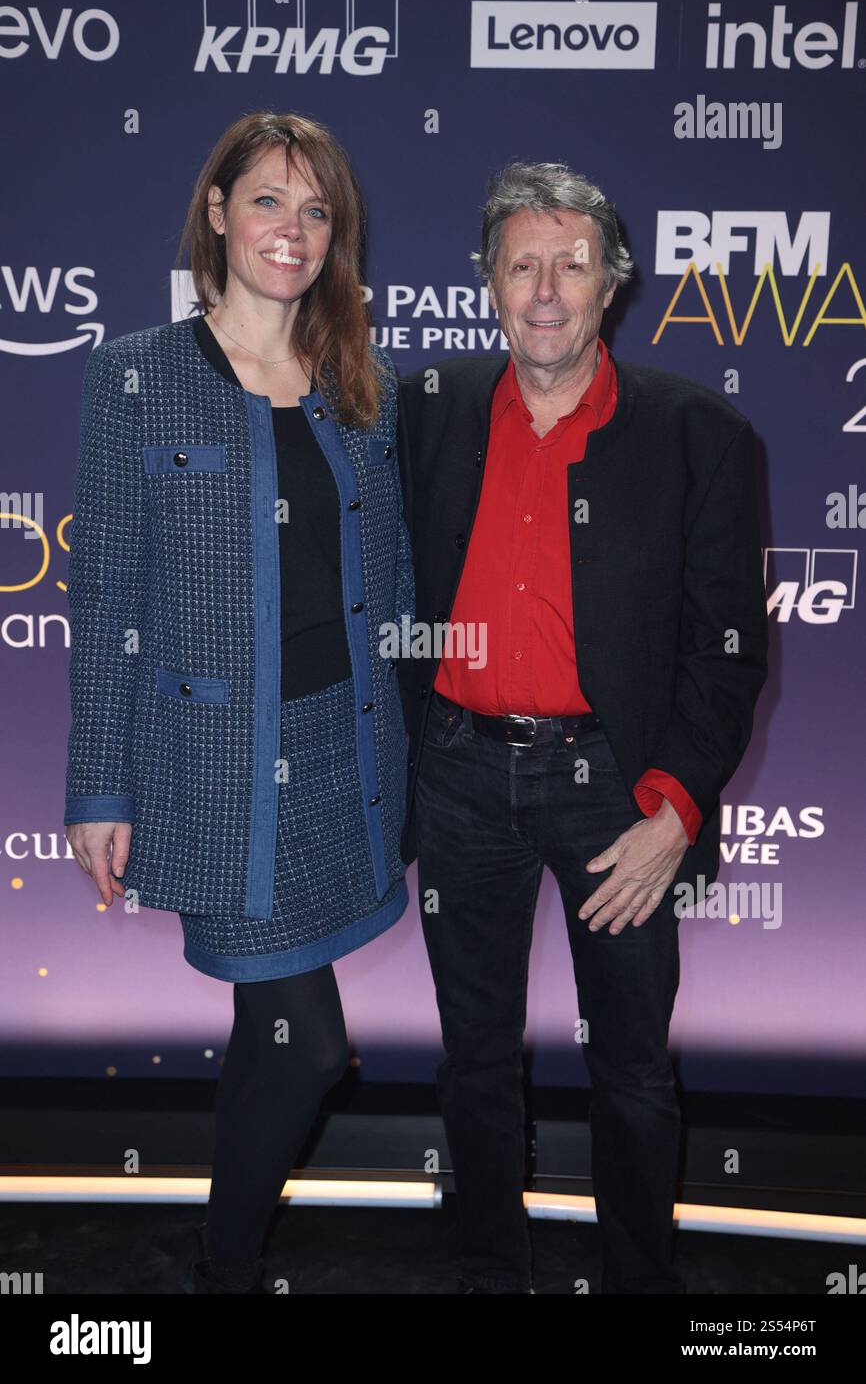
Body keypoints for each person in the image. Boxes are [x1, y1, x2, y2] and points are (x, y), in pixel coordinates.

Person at [396, 161, 769, 1294]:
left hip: (618, 790)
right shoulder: (427, 409)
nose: (545, 291)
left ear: (611, 284)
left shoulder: (698, 434)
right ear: (488, 285)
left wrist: (672, 806)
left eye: (570, 264)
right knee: (472, 1059)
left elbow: (727, 649)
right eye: (521, 265)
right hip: (458, 777)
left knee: (631, 1070)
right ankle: (486, 1273)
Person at [63, 111, 413, 1293]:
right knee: (307, 1042)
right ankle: (224, 1263)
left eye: (316, 211)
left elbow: (394, 576)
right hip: (221, 768)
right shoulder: (135, 374)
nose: (293, 230)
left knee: (269, 1039)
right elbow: (106, 585)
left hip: (344, 756)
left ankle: (227, 1243)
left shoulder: (358, 378)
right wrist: (98, 783)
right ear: (216, 212)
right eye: (267, 200)